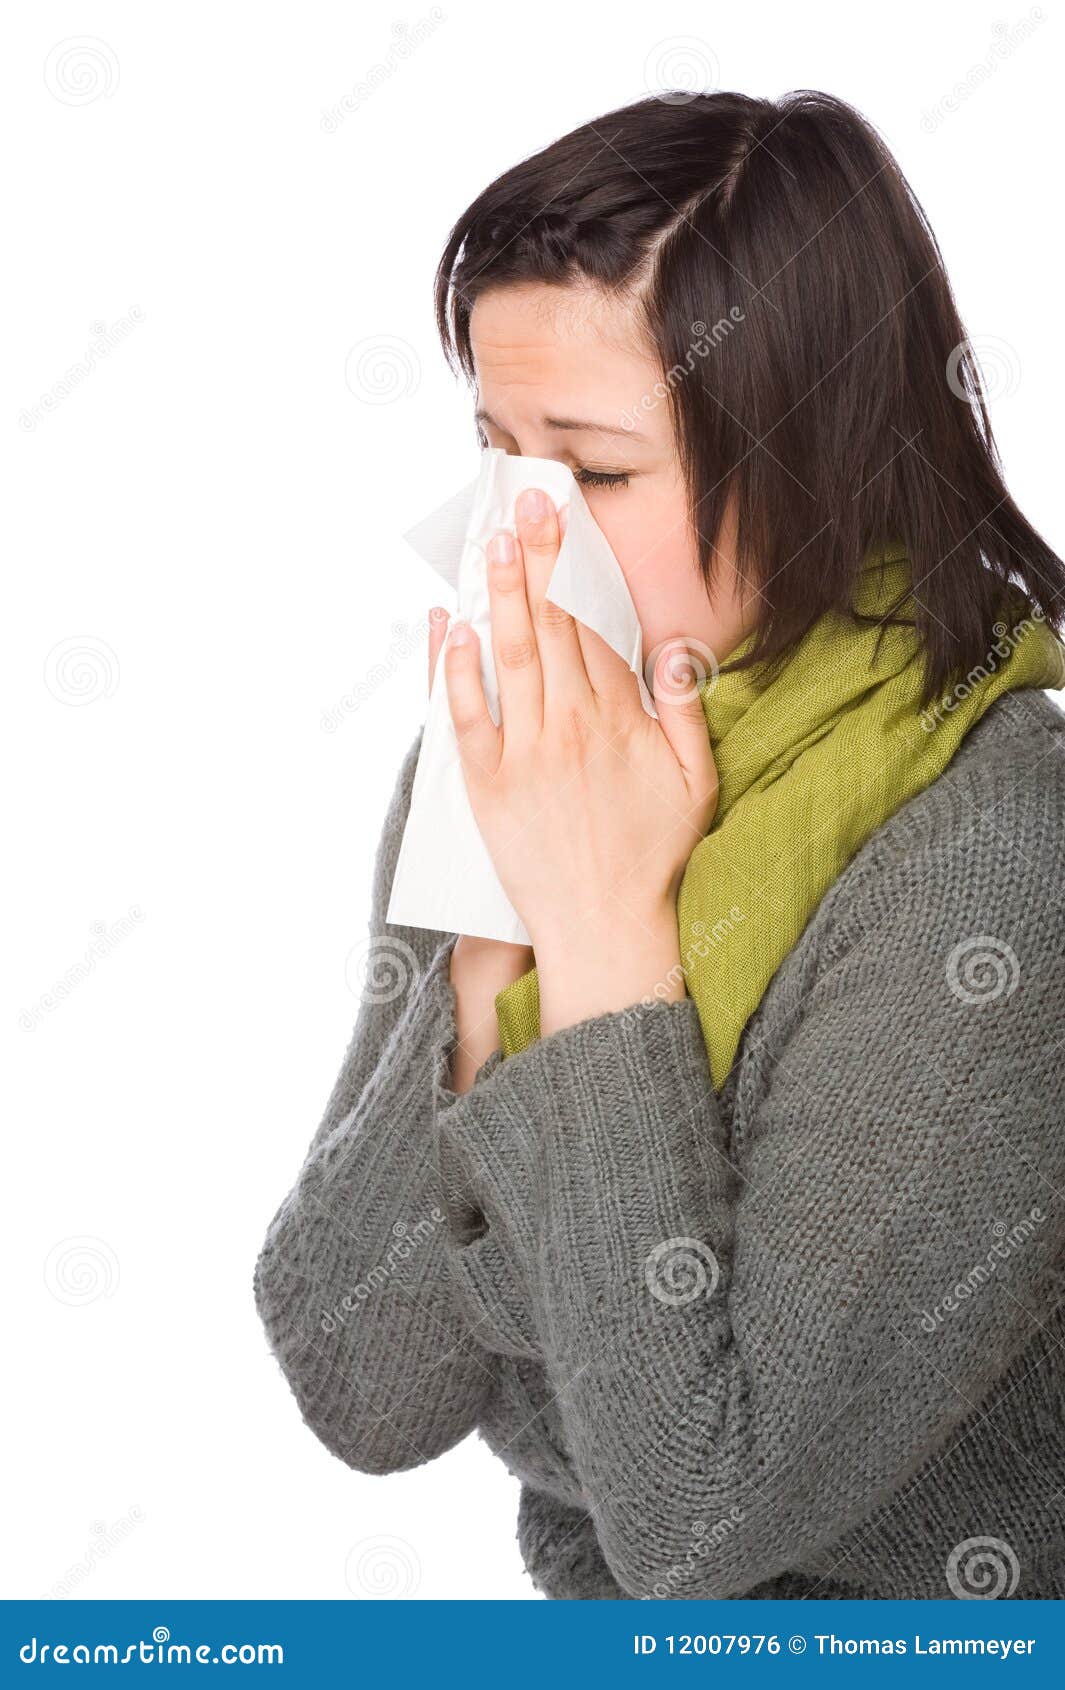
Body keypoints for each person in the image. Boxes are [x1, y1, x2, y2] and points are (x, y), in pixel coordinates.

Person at [254, 89, 1065, 1599]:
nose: (518, 541)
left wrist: (605, 940)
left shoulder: (992, 871)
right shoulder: (515, 768)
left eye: (598, 470)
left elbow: (698, 1517)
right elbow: (363, 1382)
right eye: (497, 452)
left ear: (819, 457)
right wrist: (500, 917)